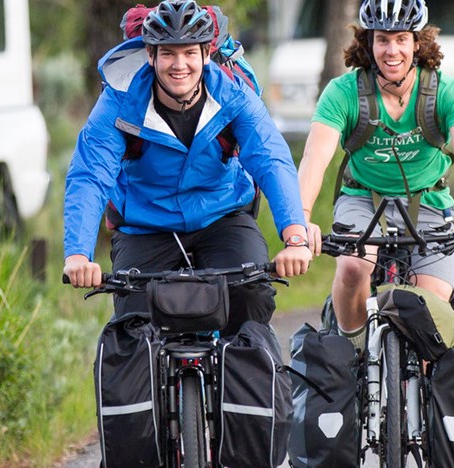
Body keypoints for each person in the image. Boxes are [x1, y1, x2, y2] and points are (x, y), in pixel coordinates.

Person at [62, 0, 312, 334]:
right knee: (133, 327)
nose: (179, 64)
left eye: (189, 53)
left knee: (250, 303)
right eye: (168, 53)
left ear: (207, 54)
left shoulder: (233, 95)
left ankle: (246, 383)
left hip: (221, 217)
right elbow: (91, 175)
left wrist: (295, 235)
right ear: (150, 56)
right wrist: (78, 253)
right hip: (145, 225)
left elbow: (271, 159)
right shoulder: (120, 102)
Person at [295, 0, 454, 344]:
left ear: (418, 42)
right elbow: (315, 157)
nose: (392, 51)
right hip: (362, 199)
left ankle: (420, 386)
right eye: (383, 40)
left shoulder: (447, 91)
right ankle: (353, 348)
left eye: (401, 39)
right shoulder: (343, 93)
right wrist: (300, 218)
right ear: (368, 42)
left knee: (428, 313)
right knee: (352, 268)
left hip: (429, 202)